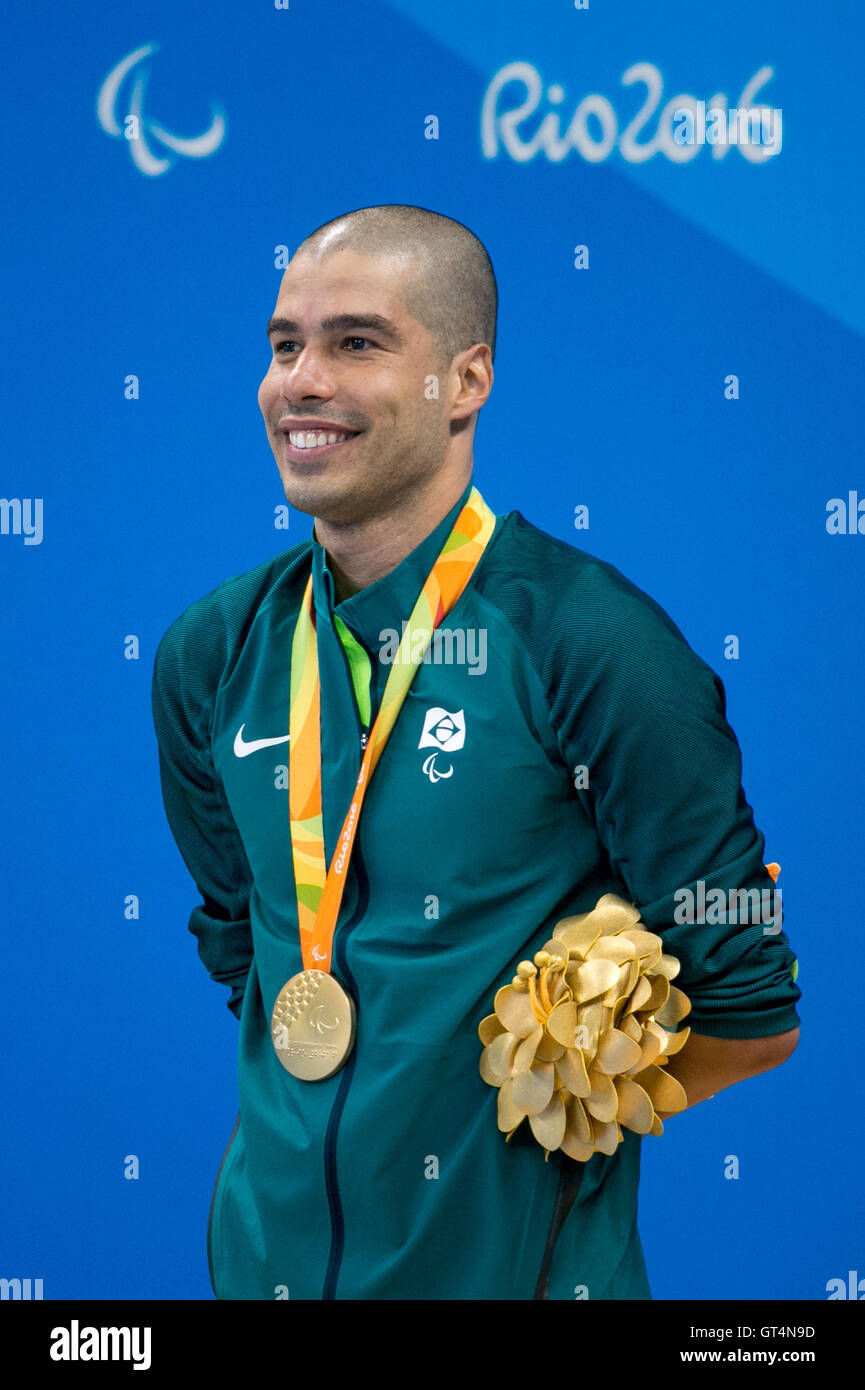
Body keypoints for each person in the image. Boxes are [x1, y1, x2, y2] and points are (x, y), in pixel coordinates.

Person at [151, 203, 801, 1300]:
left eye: (356, 343)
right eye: (283, 345)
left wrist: (557, 1115)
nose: (300, 381)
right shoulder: (211, 651)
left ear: (465, 382)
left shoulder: (587, 641)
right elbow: (250, 956)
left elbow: (749, 1011)